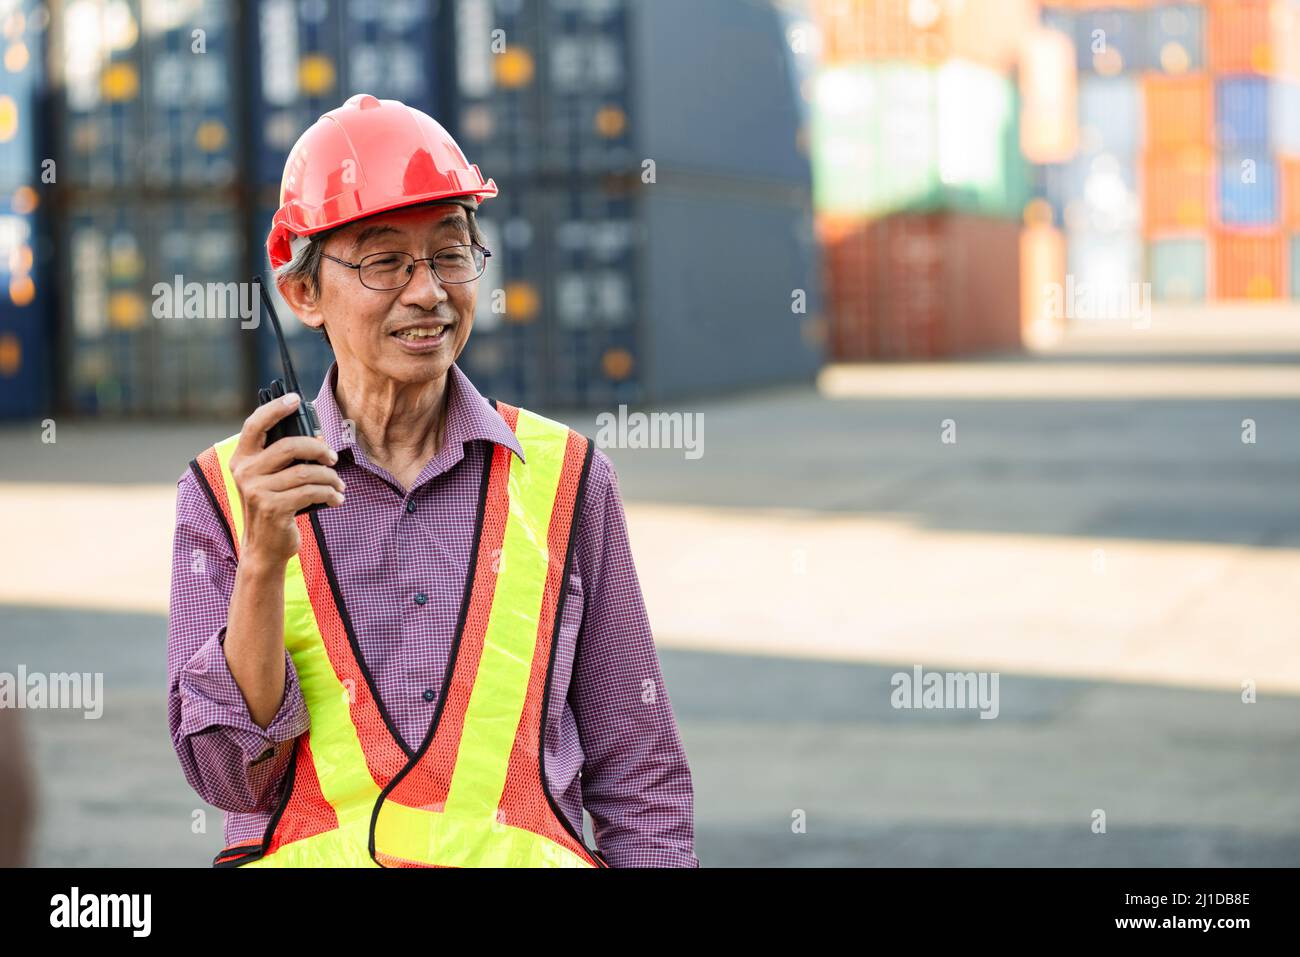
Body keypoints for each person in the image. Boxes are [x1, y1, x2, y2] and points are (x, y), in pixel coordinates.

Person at [166, 94, 697, 867]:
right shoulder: (224, 494)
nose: (429, 292)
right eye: (385, 261)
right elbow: (227, 777)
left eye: (450, 253)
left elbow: (639, 774)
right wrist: (260, 564)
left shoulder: (568, 479)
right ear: (303, 294)